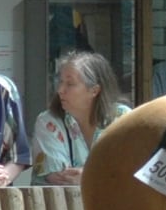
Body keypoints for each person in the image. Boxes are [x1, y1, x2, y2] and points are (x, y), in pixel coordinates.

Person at [33, 50, 130, 185]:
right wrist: (105, 176)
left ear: (94, 90)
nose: (60, 90)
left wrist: (88, 177)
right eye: (60, 82)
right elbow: (59, 177)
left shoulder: (122, 118)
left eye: (70, 84)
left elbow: (132, 169)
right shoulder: (48, 122)